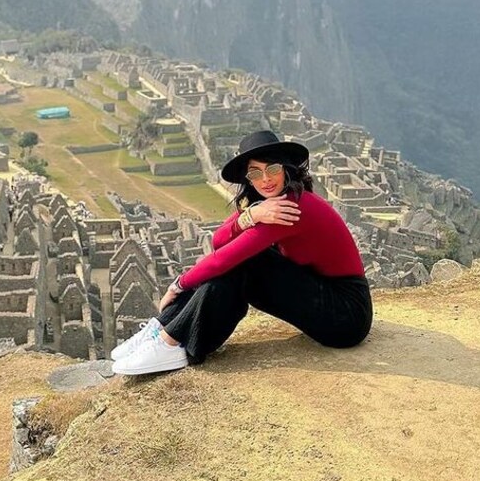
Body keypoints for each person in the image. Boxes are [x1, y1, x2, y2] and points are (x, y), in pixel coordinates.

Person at [111, 130, 373, 376]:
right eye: (256, 174)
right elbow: (218, 240)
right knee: (240, 263)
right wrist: (248, 216)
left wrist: (179, 285)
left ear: (286, 169)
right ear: (248, 180)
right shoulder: (270, 205)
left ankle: (171, 342)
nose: (266, 179)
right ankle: (162, 329)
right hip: (323, 297)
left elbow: (226, 256)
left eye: (272, 169)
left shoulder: (288, 208)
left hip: (346, 315)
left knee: (244, 263)